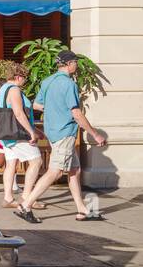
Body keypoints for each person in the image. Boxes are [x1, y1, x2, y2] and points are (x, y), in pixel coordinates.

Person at [17, 49, 107, 223]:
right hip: (64, 132)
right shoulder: (69, 84)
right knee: (56, 171)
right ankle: (26, 205)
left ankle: (82, 210)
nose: (77, 65)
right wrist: (94, 134)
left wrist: (54, 108)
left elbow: (36, 104)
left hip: (53, 131)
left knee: (75, 170)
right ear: (68, 64)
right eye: (75, 62)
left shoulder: (48, 81)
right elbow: (76, 112)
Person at [0, 65, 45, 211]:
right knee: (36, 161)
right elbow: (18, 113)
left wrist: (34, 130)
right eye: (25, 78)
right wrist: (32, 132)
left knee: (11, 164)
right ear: (18, 77)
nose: (25, 81)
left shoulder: (3, 89)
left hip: (6, 133)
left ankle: (8, 198)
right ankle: (27, 198)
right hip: (18, 134)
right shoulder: (14, 89)